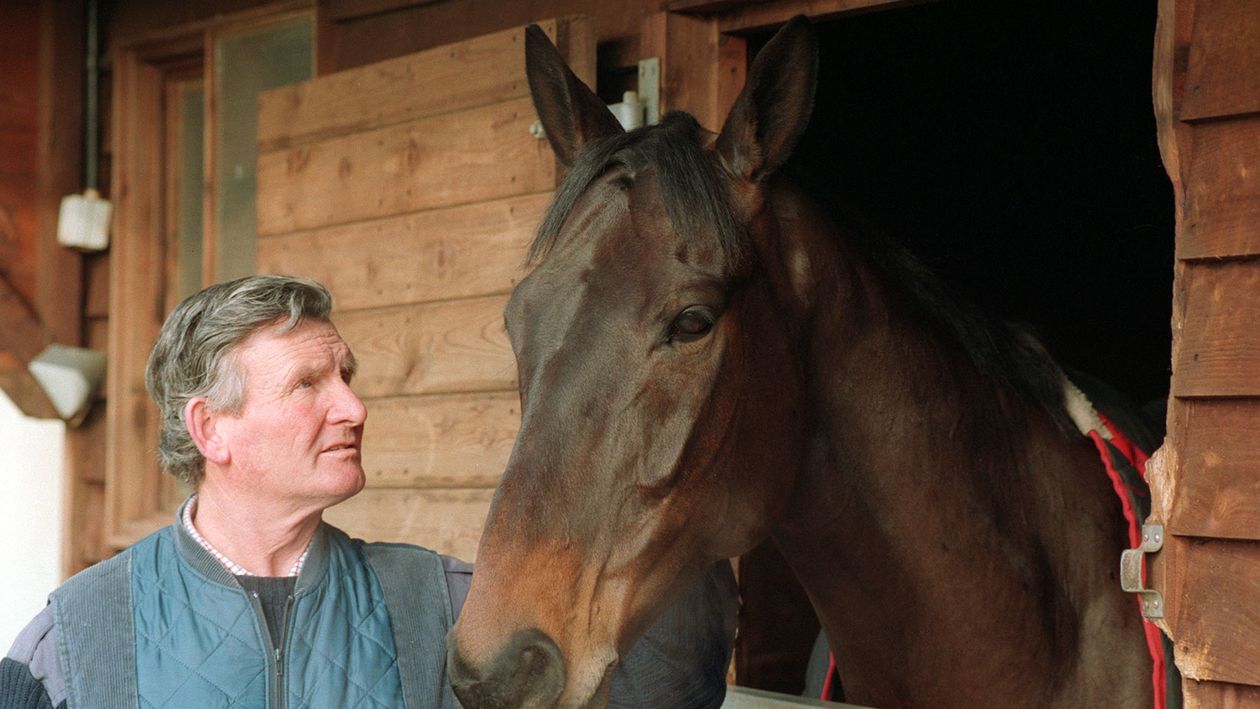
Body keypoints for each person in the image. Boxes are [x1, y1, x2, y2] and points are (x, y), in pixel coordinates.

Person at [1, 275, 737, 708]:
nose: (353, 407)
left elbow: (656, 693)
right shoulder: (76, 636)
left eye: (346, 376)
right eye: (307, 384)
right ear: (211, 429)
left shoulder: (440, 602)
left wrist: (675, 492)